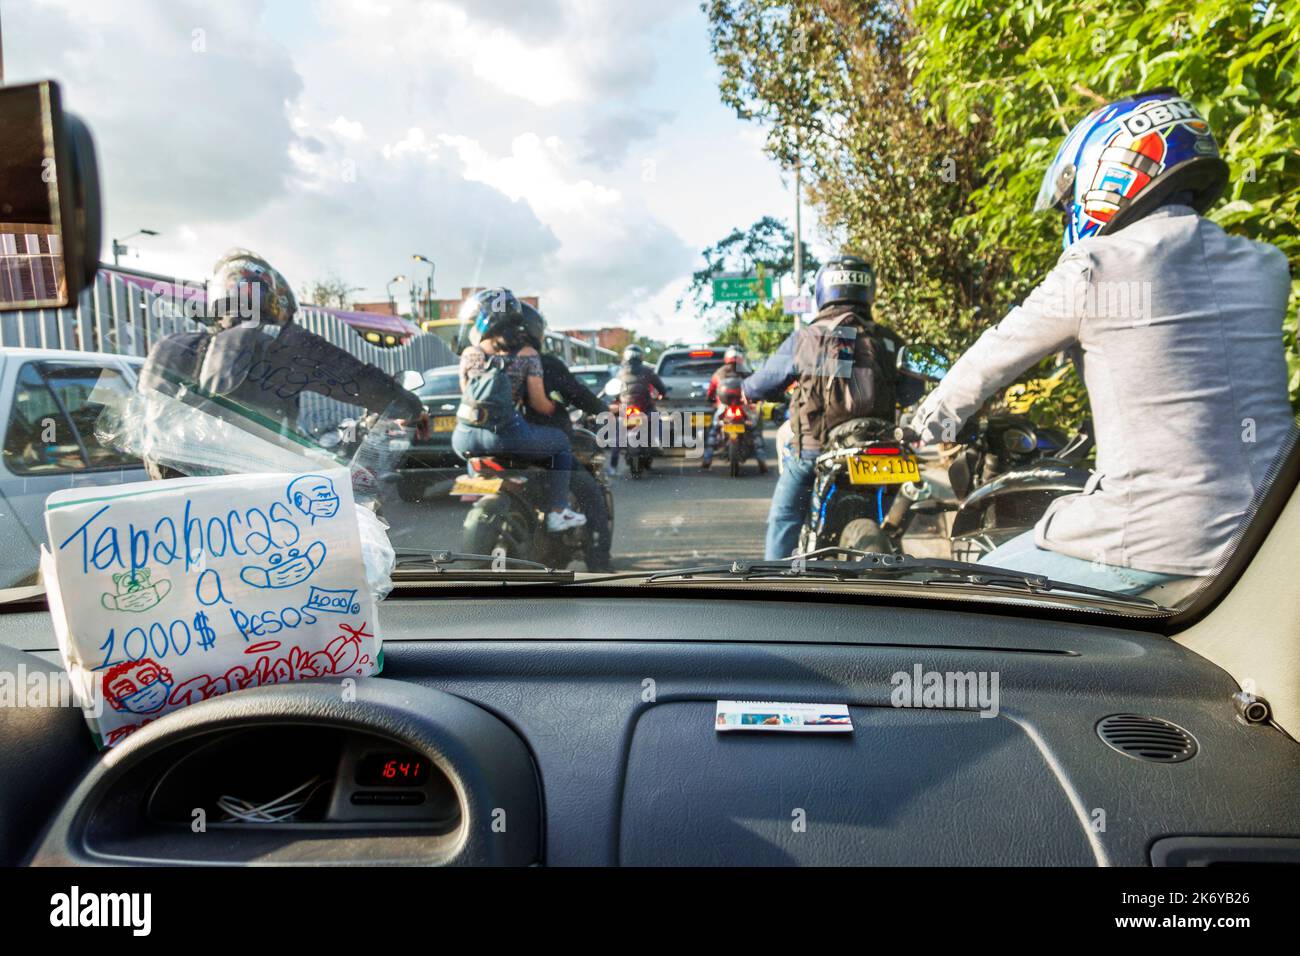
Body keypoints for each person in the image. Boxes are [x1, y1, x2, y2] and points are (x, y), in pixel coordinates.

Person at [909, 88, 1293, 594]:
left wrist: (925, 424)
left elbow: (991, 358)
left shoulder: (1096, 268)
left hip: (1155, 539)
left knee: (976, 597)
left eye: (1070, 196)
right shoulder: (1266, 266)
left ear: (1109, 172)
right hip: (1274, 536)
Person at [137, 248, 424, 479]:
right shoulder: (282, 342)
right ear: (275, 297)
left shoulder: (168, 346)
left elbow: (147, 422)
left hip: (178, 507)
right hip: (259, 502)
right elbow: (363, 383)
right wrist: (411, 408)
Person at [743, 254, 909, 559]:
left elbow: (761, 384)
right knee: (898, 514)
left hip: (816, 451)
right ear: (867, 290)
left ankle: (773, 585)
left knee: (784, 516)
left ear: (823, 290)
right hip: (881, 448)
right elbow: (913, 390)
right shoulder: (888, 340)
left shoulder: (806, 338)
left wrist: (745, 390)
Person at [451, 288, 586, 533]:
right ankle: (557, 510)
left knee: (478, 451)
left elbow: (467, 395)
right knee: (561, 444)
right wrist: (556, 408)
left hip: (463, 438)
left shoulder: (470, 354)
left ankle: (481, 491)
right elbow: (538, 404)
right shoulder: (528, 355)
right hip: (506, 436)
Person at [518, 303, 615, 570]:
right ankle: (599, 568)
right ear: (535, 332)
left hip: (498, 447)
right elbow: (577, 394)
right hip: (542, 448)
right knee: (592, 497)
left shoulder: (493, 361)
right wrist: (604, 411)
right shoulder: (544, 363)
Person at [701, 345, 767, 472]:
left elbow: (711, 391)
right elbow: (756, 388)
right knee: (755, 431)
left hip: (724, 407)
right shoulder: (747, 372)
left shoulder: (719, 373)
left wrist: (710, 400)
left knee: (713, 430)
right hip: (743, 406)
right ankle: (762, 462)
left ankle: (707, 459)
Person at [607, 343, 668, 475]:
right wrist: (663, 395)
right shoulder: (648, 371)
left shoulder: (619, 373)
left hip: (626, 410)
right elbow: (661, 388)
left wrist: (617, 400)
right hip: (644, 409)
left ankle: (612, 465)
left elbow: (613, 390)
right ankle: (658, 443)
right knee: (658, 422)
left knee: (617, 437)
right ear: (640, 356)